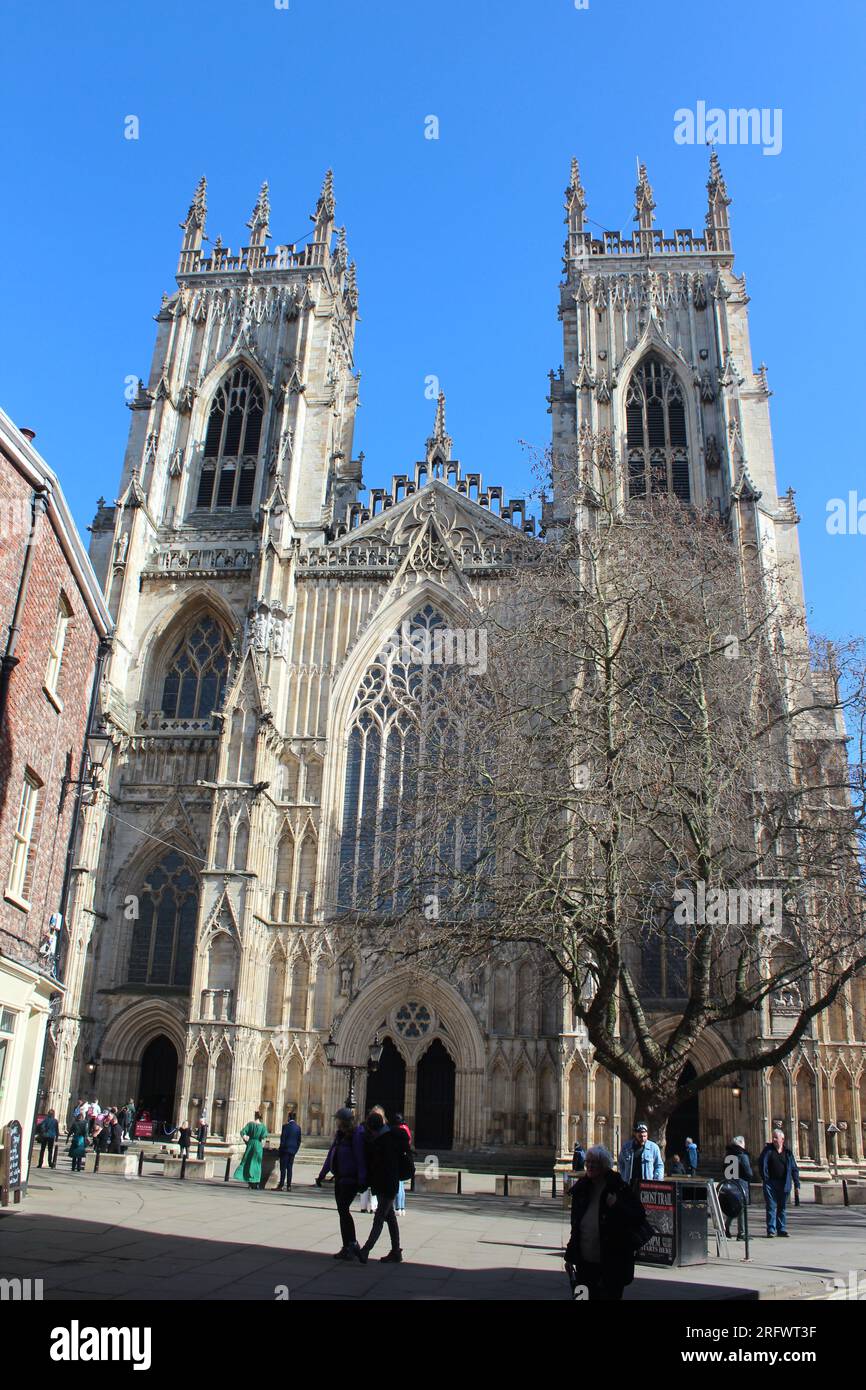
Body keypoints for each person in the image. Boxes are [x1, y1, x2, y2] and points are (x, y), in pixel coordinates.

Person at [564, 1145, 650, 1300]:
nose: (589, 1166)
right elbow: (576, 1226)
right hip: (584, 1262)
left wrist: (617, 1205)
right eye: (588, 1162)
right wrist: (570, 1256)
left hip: (611, 1263)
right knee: (582, 1297)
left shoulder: (619, 1187)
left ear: (604, 1166)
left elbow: (638, 1215)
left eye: (594, 1163)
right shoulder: (581, 1189)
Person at [357, 1111, 414, 1264]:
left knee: (380, 1217)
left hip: (387, 1184)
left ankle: (366, 1249)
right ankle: (396, 1251)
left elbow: (383, 1165)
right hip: (386, 1183)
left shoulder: (385, 1141)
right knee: (390, 1217)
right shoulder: (382, 1139)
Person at [317, 1107, 368, 1260]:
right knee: (342, 1211)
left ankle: (352, 1244)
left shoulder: (356, 1135)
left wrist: (362, 1179)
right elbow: (331, 1155)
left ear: (343, 1121)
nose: (336, 1122)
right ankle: (348, 1245)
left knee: (343, 1209)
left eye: (338, 1119)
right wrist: (322, 1174)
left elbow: (360, 1158)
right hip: (340, 1177)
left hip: (350, 1178)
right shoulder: (340, 1136)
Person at [759, 1128, 800, 1237]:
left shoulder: (788, 1153)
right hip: (770, 1183)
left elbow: (794, 1169)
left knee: (782, 1207)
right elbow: (762, 1164)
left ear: (782, 1139)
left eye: (776, 1137)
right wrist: (765, 1178)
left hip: (784, 1183)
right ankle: (771, 1230)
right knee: (771, 1207)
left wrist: (797, 1184)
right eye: (773, 1137)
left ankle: (781, 1229)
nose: (774, 1139)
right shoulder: (768, 1151)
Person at [720, 1135, 753, 1240]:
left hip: (729, 1184)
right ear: (741, 1143)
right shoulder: (742, 1155)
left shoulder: (728, 1155)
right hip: (740, 1184)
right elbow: (748, 1172)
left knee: (733, 1207)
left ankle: (726, 1227)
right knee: (741, 1208)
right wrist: (749, 1176)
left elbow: (724, 1169)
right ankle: (741, 1233)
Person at [618, 1123, 664, 1190]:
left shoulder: (654, 1148)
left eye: (645, 1136)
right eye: (640, 1136)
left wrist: (656, 1182)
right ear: (635, 1134)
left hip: (647, 1186)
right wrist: (624, 1177)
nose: (643, 1139)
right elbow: (621, 1163)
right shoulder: (626, 1147)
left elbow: (659, 1166)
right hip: (629, 1186)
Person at [234, 1112, 268, 1190]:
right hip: (258, 1146)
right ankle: (256, 1182)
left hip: (250, 1144)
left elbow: (243, 1132)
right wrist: (262, 1144)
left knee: (248, 1162)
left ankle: (249, 1181)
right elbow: (264, 1137)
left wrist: (246, 1139)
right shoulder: (263, 1126)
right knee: (257, 1164)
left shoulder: (250, 1124)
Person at [277, 1112, 302, 1191]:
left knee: (283, 1168)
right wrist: (295, 1150)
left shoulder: (285, 1127)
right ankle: (289, 1186)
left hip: (285, 1150)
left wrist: (280, 1150)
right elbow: (299, 1141)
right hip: (292, 1151)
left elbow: (283, 1139)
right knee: (290, 1168)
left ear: (288, 1118)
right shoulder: (298, 1128)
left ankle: (281, 1185)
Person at [393, 1113, 412, 1213]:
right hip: (404, 1157)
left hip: (398, 1157)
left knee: (398, 1185)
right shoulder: (406, 1128)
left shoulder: (400, 1129)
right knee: (401, 1186)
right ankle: (402, 1208)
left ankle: (398, 1208)